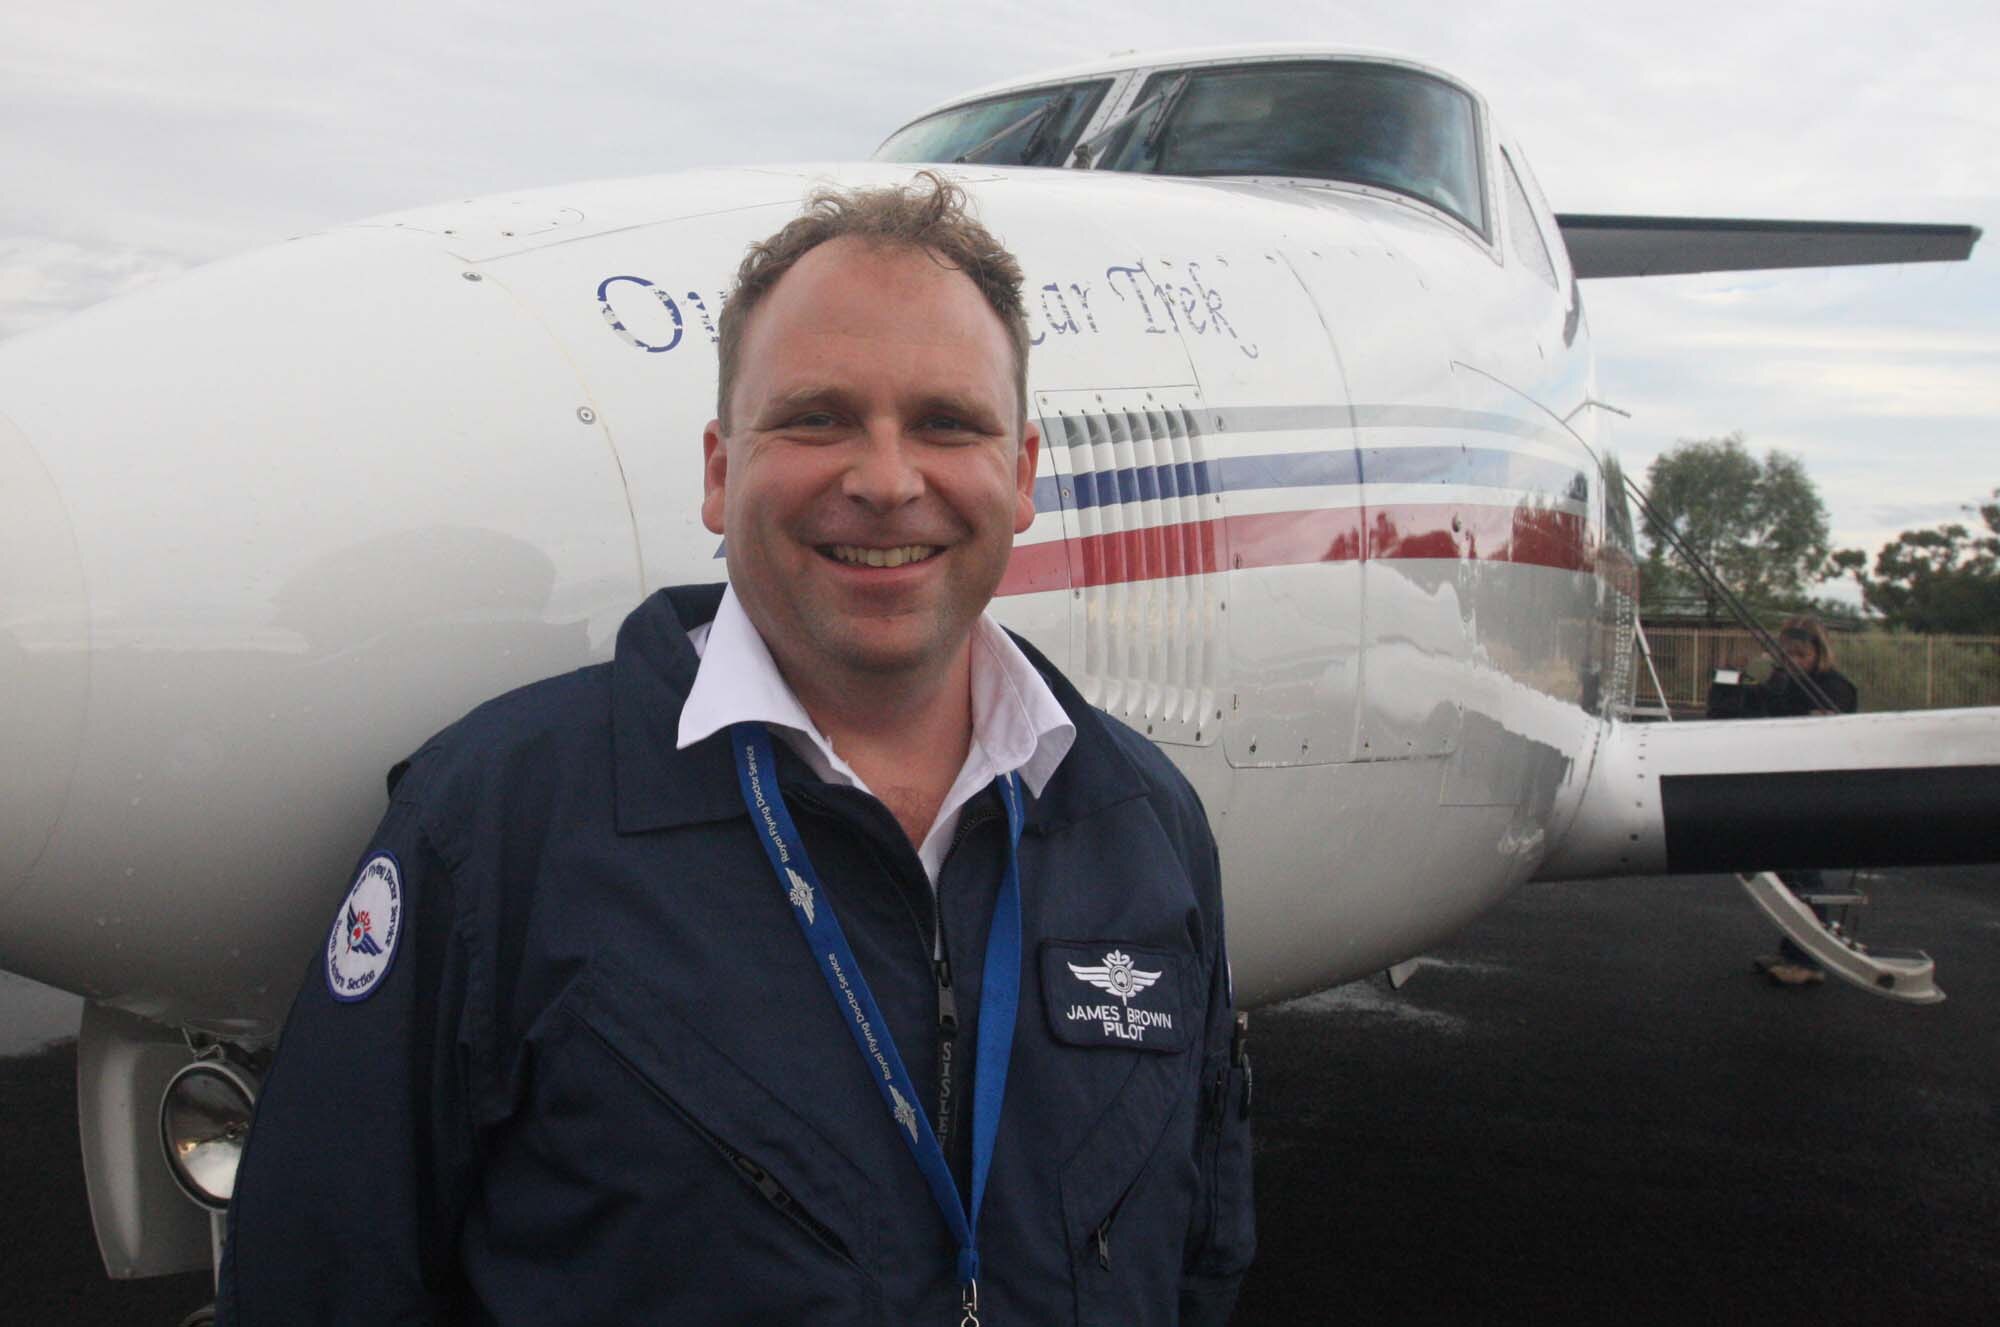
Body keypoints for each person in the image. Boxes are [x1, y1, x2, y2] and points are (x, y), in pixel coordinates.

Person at [217, 172, 1253, 1325]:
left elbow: (1199, 1251)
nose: (885, 480)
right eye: (816, 418)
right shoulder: (498, 829)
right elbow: (320, 1273)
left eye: (946, 423)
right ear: (719, 472)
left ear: (1019, 478)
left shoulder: (1140, 825)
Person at [1752, 615, 1860, 986]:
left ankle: (1807, 960)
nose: (1792, 661)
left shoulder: (1834, 687)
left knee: (1803, 872)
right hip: (1786, 787)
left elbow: (1827, 730)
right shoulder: (1783, 683)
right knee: (1789, 872)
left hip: (1815, 792)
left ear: (1818, 653)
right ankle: (1794, 949)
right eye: (1786, 654)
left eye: (1800, 655)